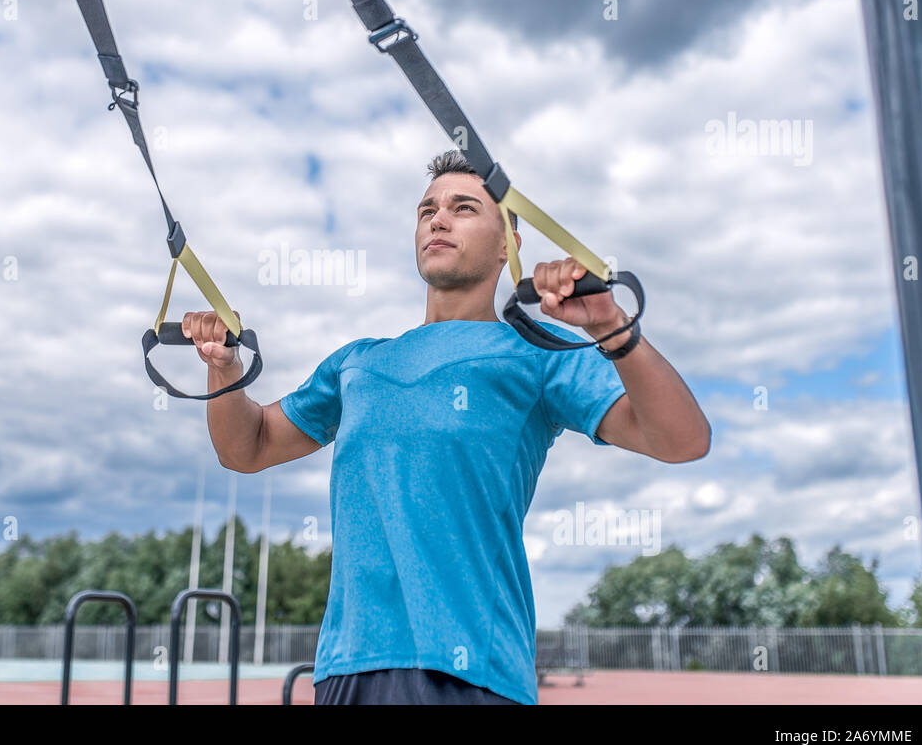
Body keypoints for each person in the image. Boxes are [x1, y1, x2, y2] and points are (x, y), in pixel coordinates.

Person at [180, 149, 711, 704]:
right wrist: (224, 369)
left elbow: (683, 440)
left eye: (463, 208)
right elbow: (248, 447)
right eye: (426, 210)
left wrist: (611, 327)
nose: (438, 219)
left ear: (509, 242)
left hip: (470, 674)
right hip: (346, 669)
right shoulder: (357, 363)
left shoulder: (537, 351)